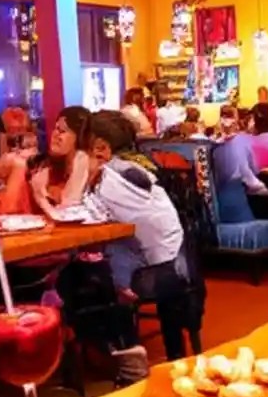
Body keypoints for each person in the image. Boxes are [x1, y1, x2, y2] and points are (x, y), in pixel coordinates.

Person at [72, 111, 189, 374]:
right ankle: (119, 347)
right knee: (94, 263)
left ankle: (124, 352)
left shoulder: (115, 177)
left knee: (81, 277)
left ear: (100, 149)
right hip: (171, 256)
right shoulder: (130, 167)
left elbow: (75, 212)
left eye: (81, 151)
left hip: (163, 268)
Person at [31, 106, 92, 217]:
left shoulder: (83, 159)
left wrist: (42, 196)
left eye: (62, 131)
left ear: (79, 137)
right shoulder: (49, 166)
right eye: (56, 128)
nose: (55, 135)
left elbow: (68, 209)